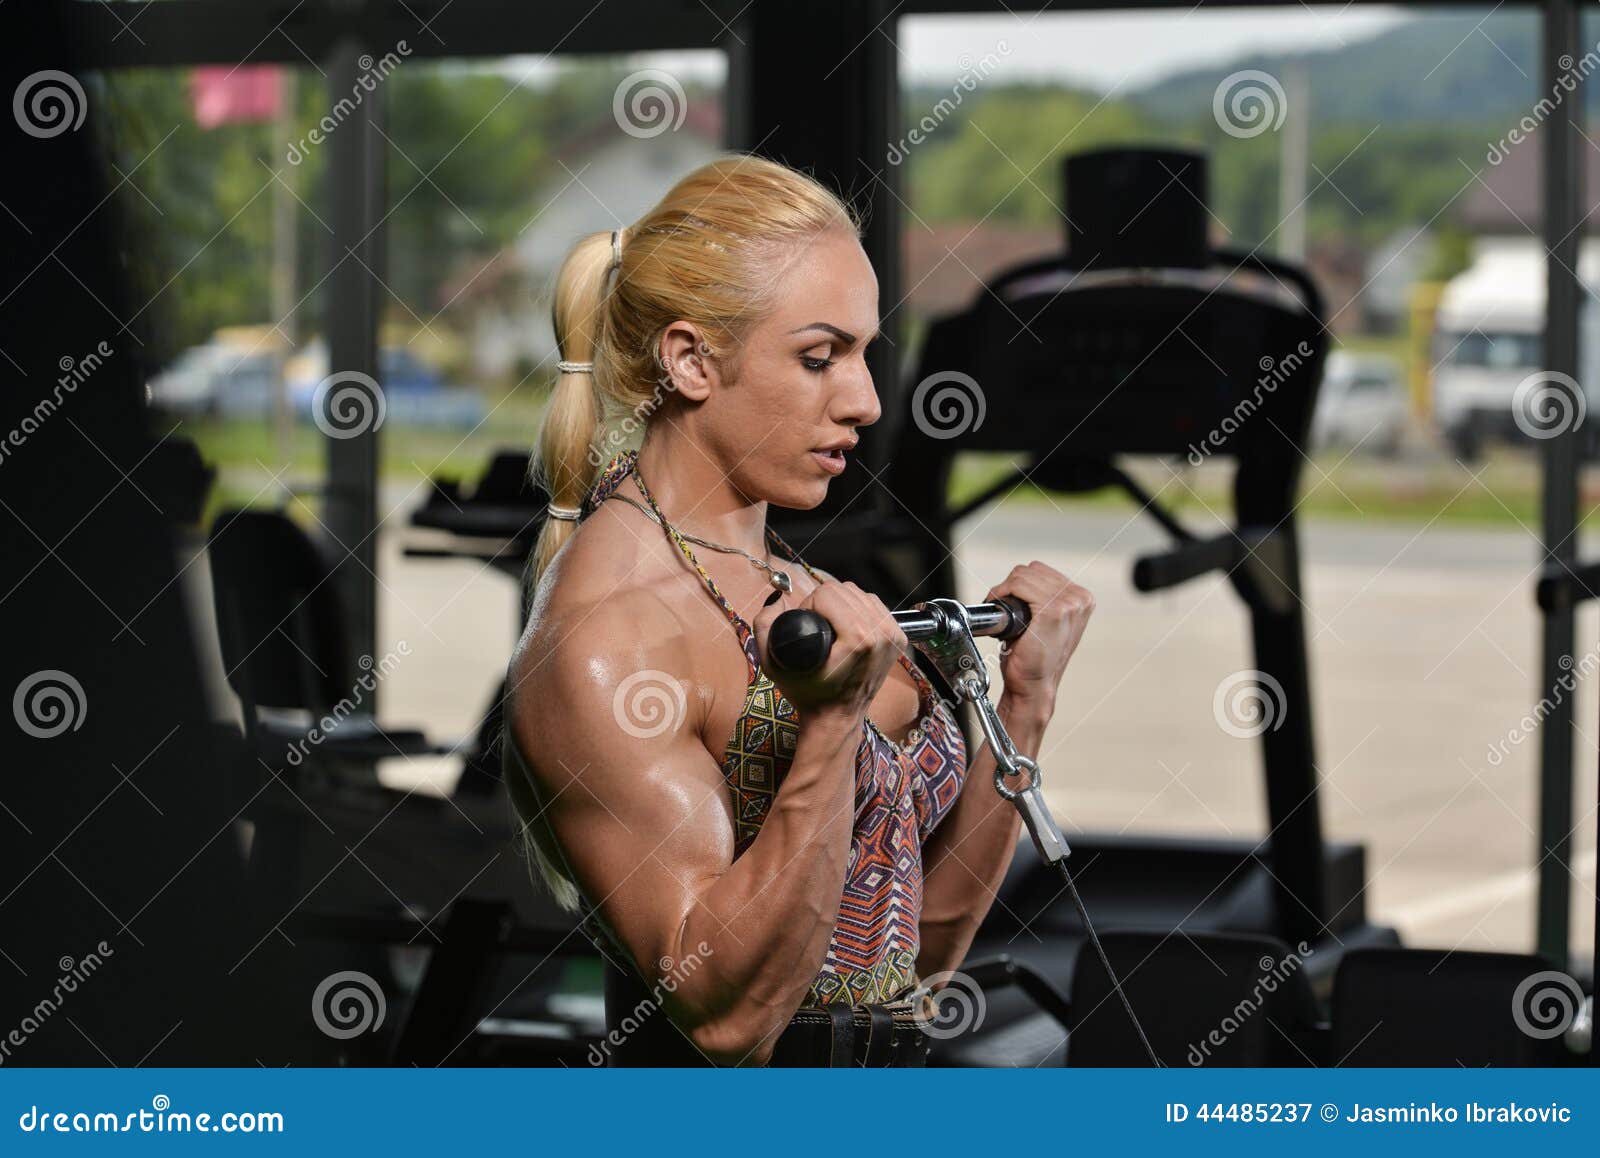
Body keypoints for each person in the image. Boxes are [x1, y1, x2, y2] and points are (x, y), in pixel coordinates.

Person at [502, 154, 1094, 1066]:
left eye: (861, 354)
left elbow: (913, 959)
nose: (862, 402)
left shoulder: (777, 576)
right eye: (819, 358)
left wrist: (1026, 702)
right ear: (692, 359)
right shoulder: (607, 639)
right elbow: (725, 1022)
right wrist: (827, 729)